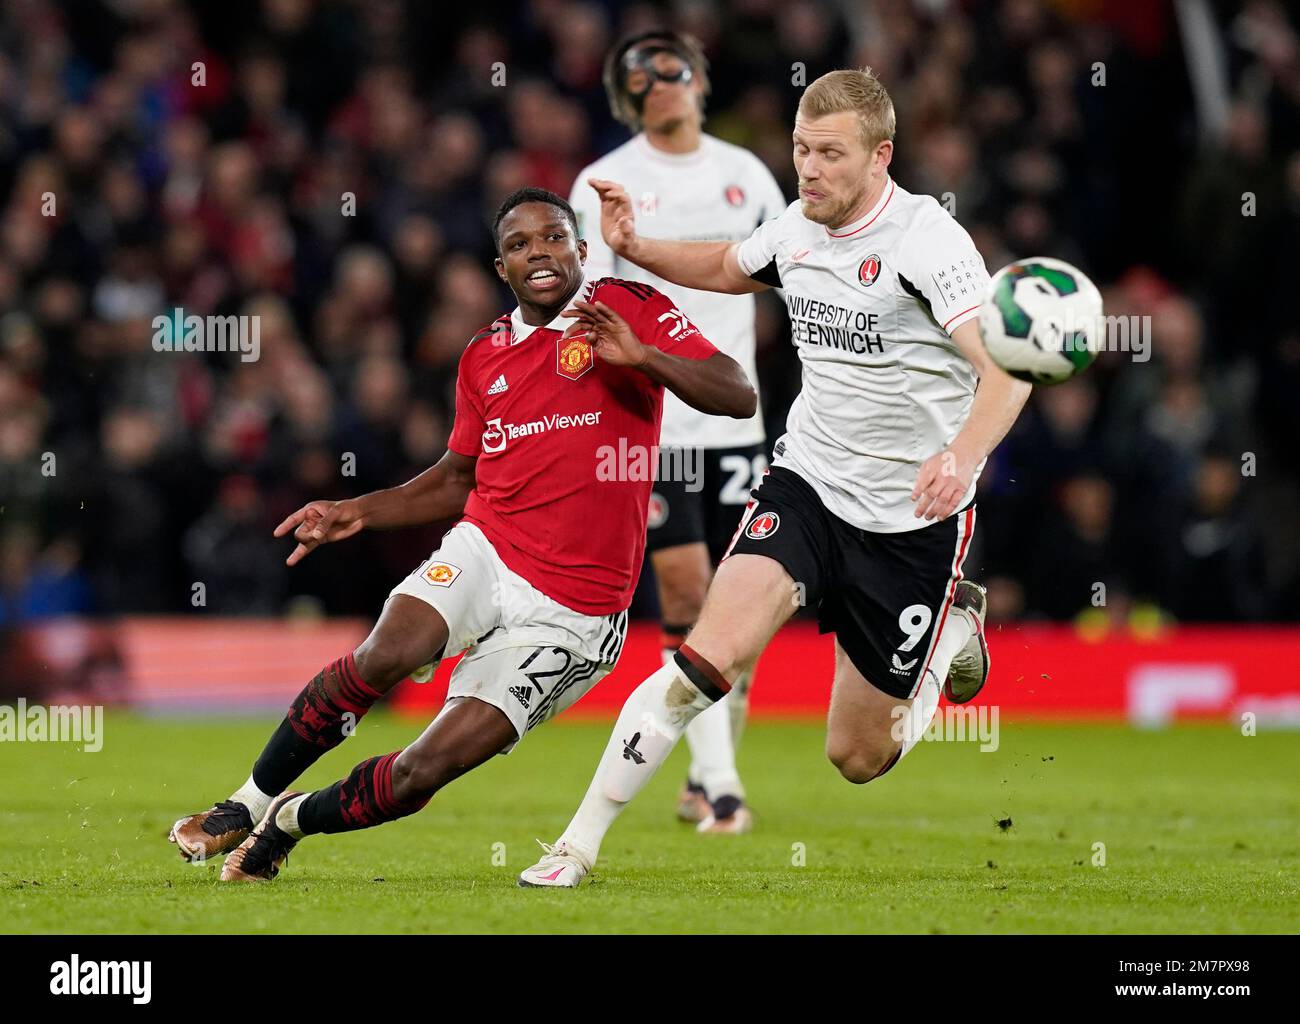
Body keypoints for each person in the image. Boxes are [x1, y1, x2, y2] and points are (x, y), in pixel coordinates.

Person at [518, 69, 1032, 888]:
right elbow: (729, 263)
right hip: (805, 486)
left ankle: (949, 639)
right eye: (800, 148)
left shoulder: (927, 242)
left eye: (830, 153)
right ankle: (574, 846)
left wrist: (962, 456)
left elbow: (1007, 374)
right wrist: (637, 244)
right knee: (699, 663)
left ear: (880, 158)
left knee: (857, 756)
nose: (809, 168)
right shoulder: (798, 228)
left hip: (910, 524)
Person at [166, 187, 756, 881]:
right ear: (500, 269)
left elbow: (737, 391)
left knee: (421, 772)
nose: (538, 251)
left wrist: (644, 360)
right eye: (518, 244)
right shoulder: (484, 356)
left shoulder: (628, 310)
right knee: (387, 652)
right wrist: (359, 510)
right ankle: (243, 802)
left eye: (553, 237)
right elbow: (456, 479)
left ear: (581, 249)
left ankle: (289, 820)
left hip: (576, 611)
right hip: (489, 551)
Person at [569, 29, 787, 833]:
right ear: (627, 97)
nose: (662, 83)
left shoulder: (746, 174)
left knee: (744, 613)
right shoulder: (609, 179)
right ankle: (724, 790)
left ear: (700, 79)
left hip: (736, 415)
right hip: (653, 425)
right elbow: (587, 295)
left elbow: (794, 268)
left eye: (674, 70)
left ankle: (704, 773)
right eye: (643, 76)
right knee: (690, 596)